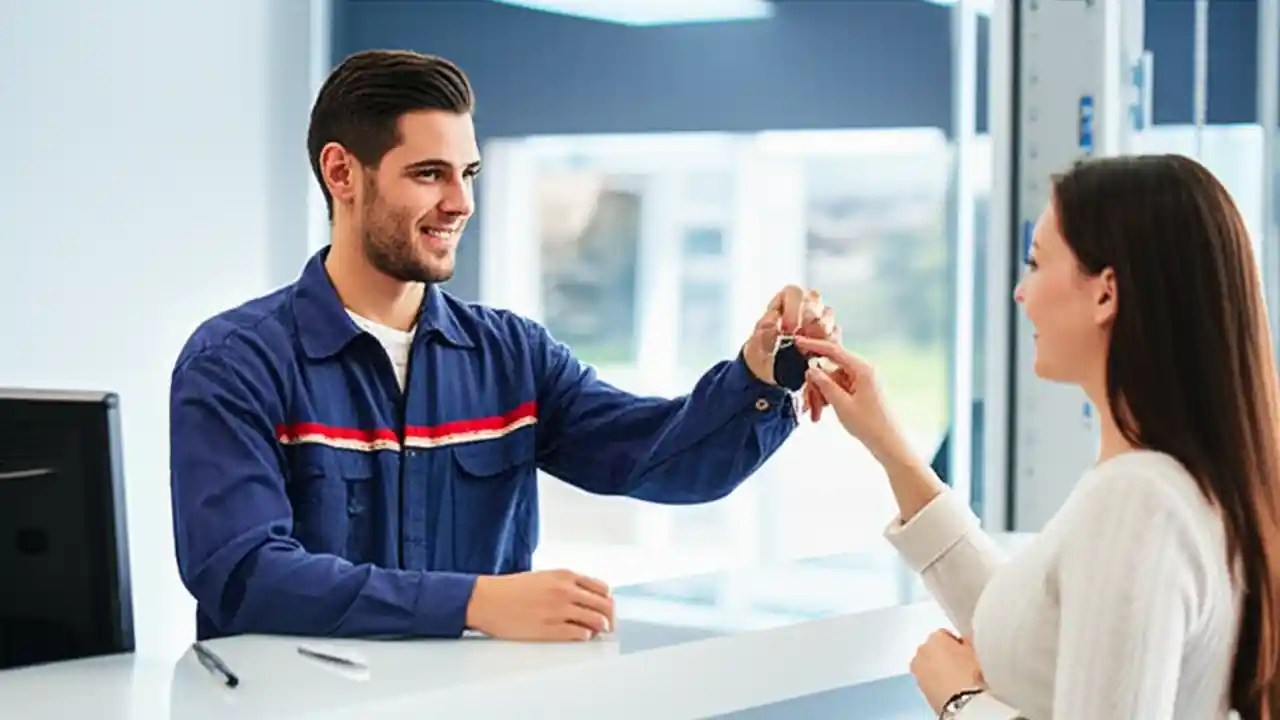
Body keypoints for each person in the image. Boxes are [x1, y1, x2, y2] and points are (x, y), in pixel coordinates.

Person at [168, 50, 835, 642]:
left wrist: (760, 374)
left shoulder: (512, 358)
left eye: (469, 173)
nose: (461, 202)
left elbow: (665, 459)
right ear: (342, 173)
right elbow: (244, 574)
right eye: (430, 174)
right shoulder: (235, 363)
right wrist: (475, 602)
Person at [798, 154, 1279, 719]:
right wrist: (890, 447)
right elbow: (1035, 635)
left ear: (1106, 294)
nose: (1020, 294)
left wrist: (962, 703)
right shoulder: (1183, 489)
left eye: (1035, 262)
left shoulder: (1137, 499)